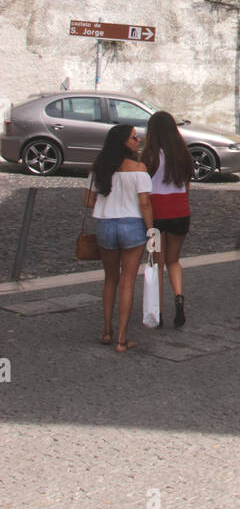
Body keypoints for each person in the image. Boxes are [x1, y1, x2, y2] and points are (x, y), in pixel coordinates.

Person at [83, 124, 154, 353]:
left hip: (106, 225)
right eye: (134, 137)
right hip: (132, 225)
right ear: (124, 142)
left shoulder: (99, 168)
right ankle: (122, 339)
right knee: (127, 281)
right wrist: (152, 231)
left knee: (110, 279)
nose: (138, 140)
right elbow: (145, 204)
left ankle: (106, 331)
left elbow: (88, 201)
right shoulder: (139, 168)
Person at [141, 111, 193, 329]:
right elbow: (187, 187)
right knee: (174, 261)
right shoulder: (183, 154)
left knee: (156, 263)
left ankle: (158, 311)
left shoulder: (150, 156)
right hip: (180, 211)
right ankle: (179, 297)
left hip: (156, 216)